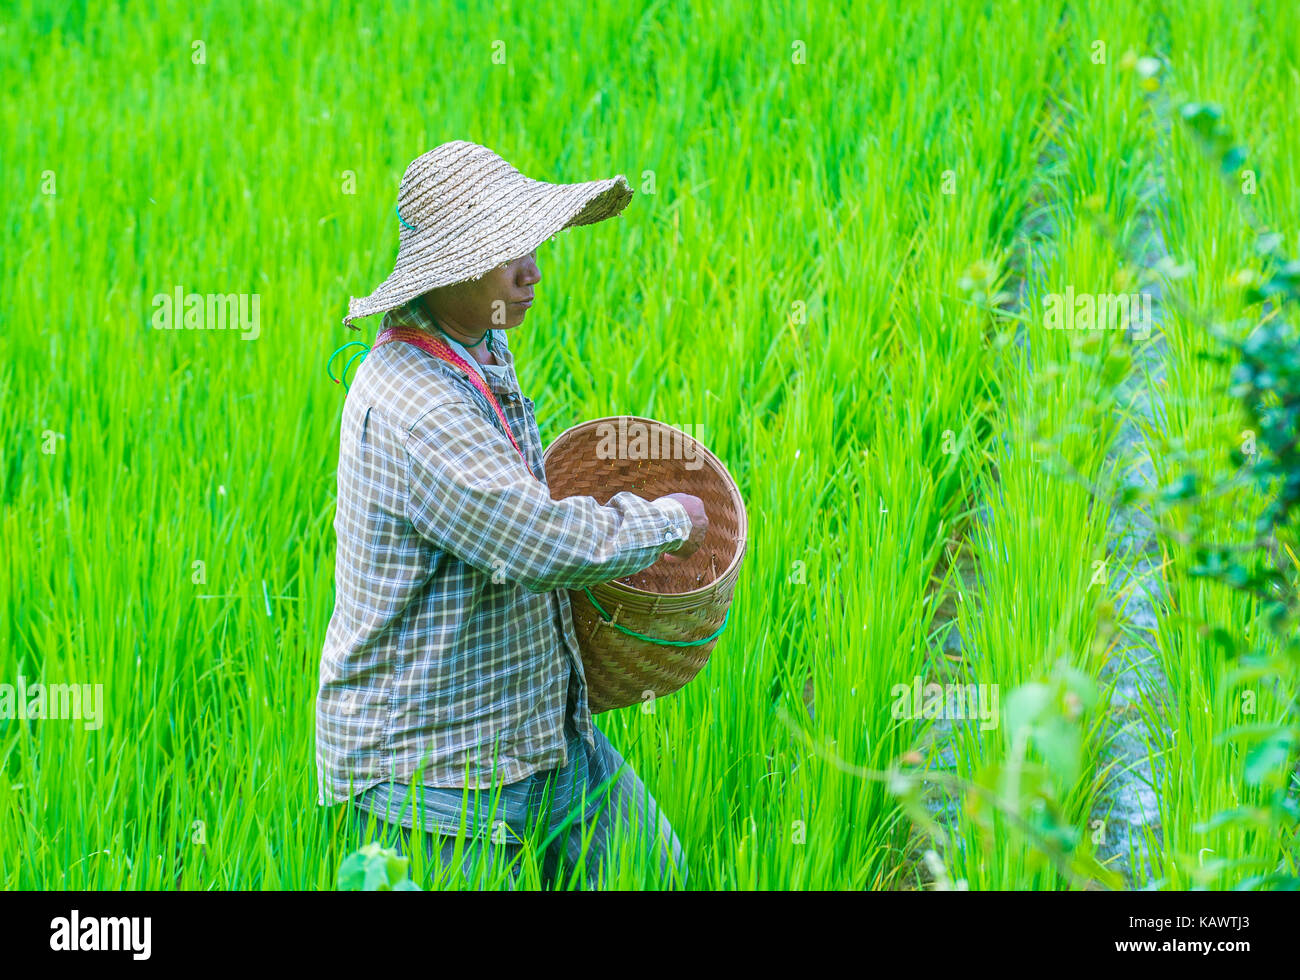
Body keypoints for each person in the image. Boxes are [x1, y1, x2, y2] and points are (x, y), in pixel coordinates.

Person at [317, 140, 708, 889]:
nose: (532, 272)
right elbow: (538, 542)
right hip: (433, 773)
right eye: (506, 257)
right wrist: (666, 520)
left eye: (530, 247)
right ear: (449, 274)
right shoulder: (415, 405)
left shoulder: (477, 339)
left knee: (653, 871)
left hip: (532, 726)